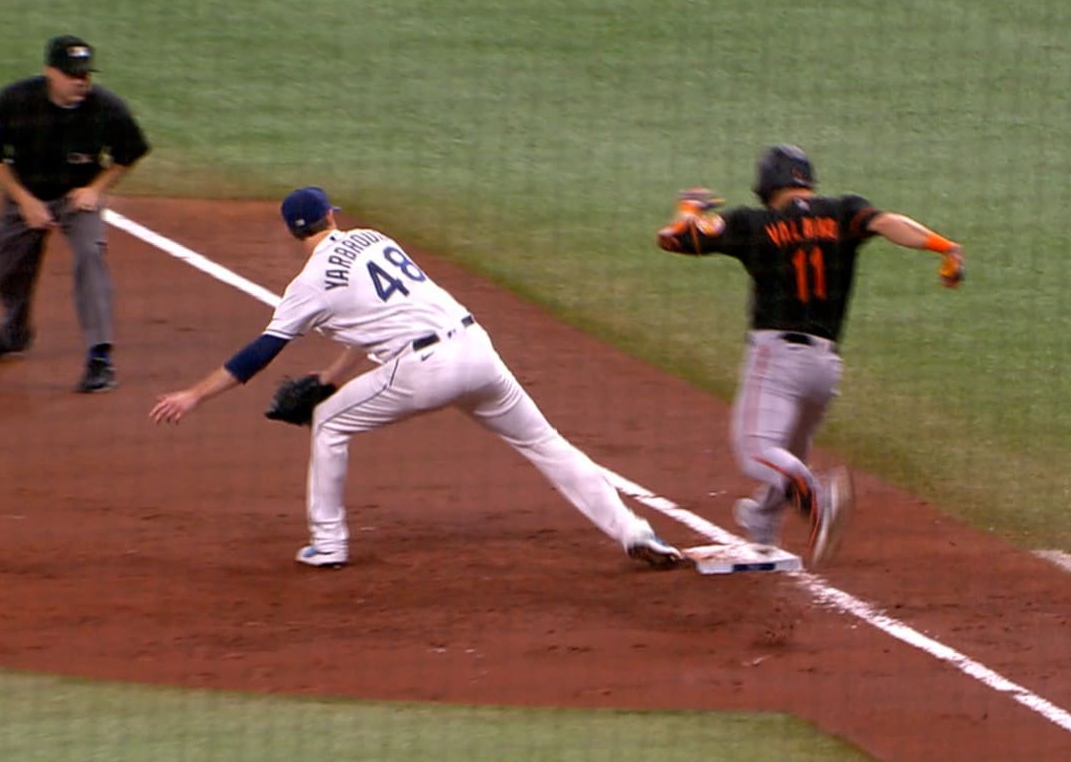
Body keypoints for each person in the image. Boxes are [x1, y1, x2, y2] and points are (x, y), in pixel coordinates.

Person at [149, 186, 686, 571]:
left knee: (330, 425)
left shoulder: (308, 283)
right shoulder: (374, 239)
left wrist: (194, 395)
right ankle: (634, 531)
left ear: (295, 232)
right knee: (546, 443)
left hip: (426, 368)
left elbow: (260, 352)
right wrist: (334, 376)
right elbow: (377, 317)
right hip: (478, 349)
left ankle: (328, 544)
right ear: (331, 217)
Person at [656, 144, 965, 566]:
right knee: (790, 452)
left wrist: (690, 208)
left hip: (776, 358)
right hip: (825, 369)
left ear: (766, 186)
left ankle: (820, 498)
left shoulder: (753, 222)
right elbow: (890, 223)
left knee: (757, 449)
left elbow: (674, 240)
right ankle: (762, 528)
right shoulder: (843, 213)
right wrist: (944, 247)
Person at [0, 34, 151, 393]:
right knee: (9, 269)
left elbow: (130, 153)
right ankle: (13, 333)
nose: (80, 82)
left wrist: (95, 189)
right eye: (71, 75)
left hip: (76, 197)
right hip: (25, 194)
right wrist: (24, 201)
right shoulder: (16, 101)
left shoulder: (106, 108)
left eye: (84, 74)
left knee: (90, 255)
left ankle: (100, 358)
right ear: (49, 72)